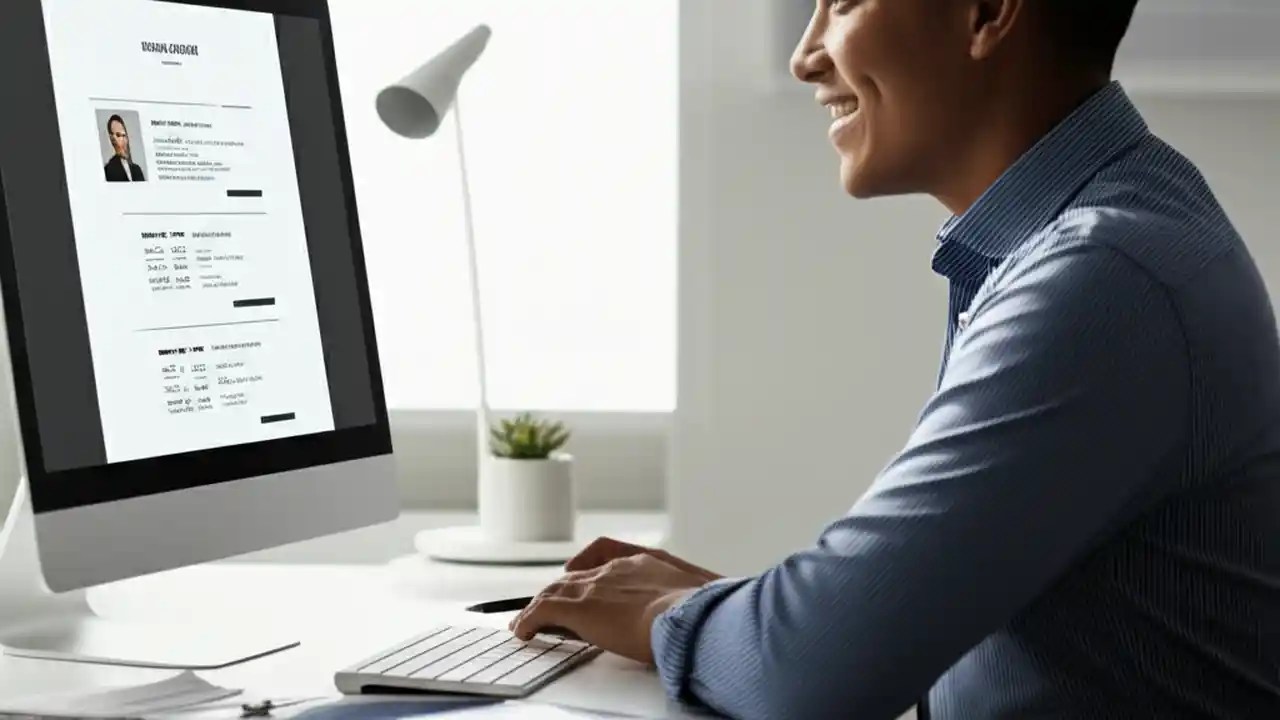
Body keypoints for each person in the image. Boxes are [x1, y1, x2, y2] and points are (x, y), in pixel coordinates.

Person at [511, 0, 1280, 717]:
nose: (806, 57)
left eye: (843, 3)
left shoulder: (1102, 278)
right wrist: (753, 615)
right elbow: (859, 638)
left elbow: (811, 678)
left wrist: (671, 615)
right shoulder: (1116, 230)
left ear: (986, 12)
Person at [103, 114, 145, 182]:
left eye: (124, 135)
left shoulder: (137, 170)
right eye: (118, 135)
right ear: (112, 139)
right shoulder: (108, 171)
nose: (124, 141)